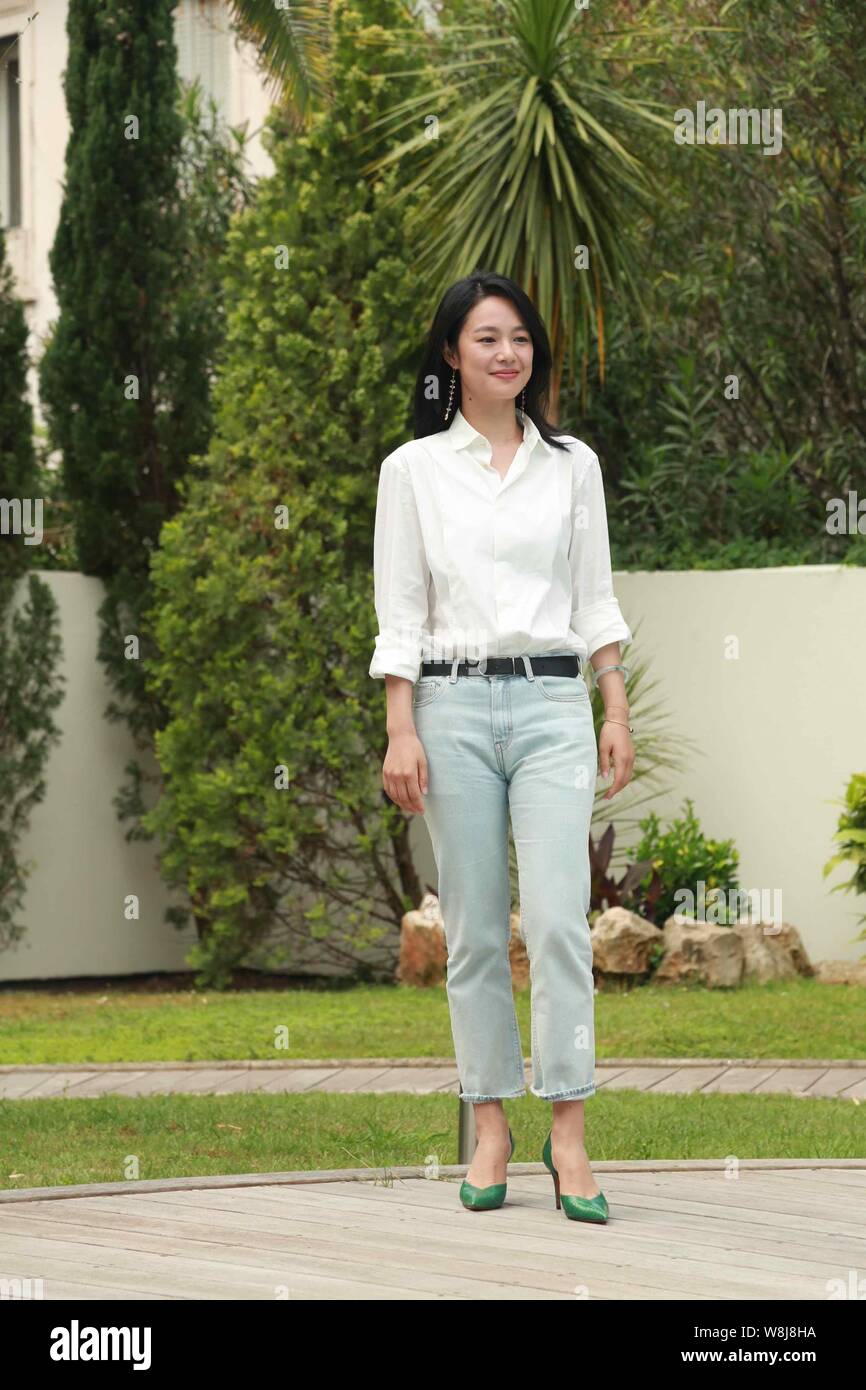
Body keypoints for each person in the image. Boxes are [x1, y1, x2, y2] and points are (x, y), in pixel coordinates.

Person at [369, 269, 635, 1222]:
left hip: (553, 708)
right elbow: (400, 613)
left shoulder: (574, 467)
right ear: (453, 354)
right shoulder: (412, 472)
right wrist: (401, 727)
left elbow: (595, 598)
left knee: (561, 923)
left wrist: (614, 704)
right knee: (476, 933)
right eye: (487, 339)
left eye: (520, 337)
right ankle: (490, 1123)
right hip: (449, 712)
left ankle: (569, 1134)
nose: (508, 353)